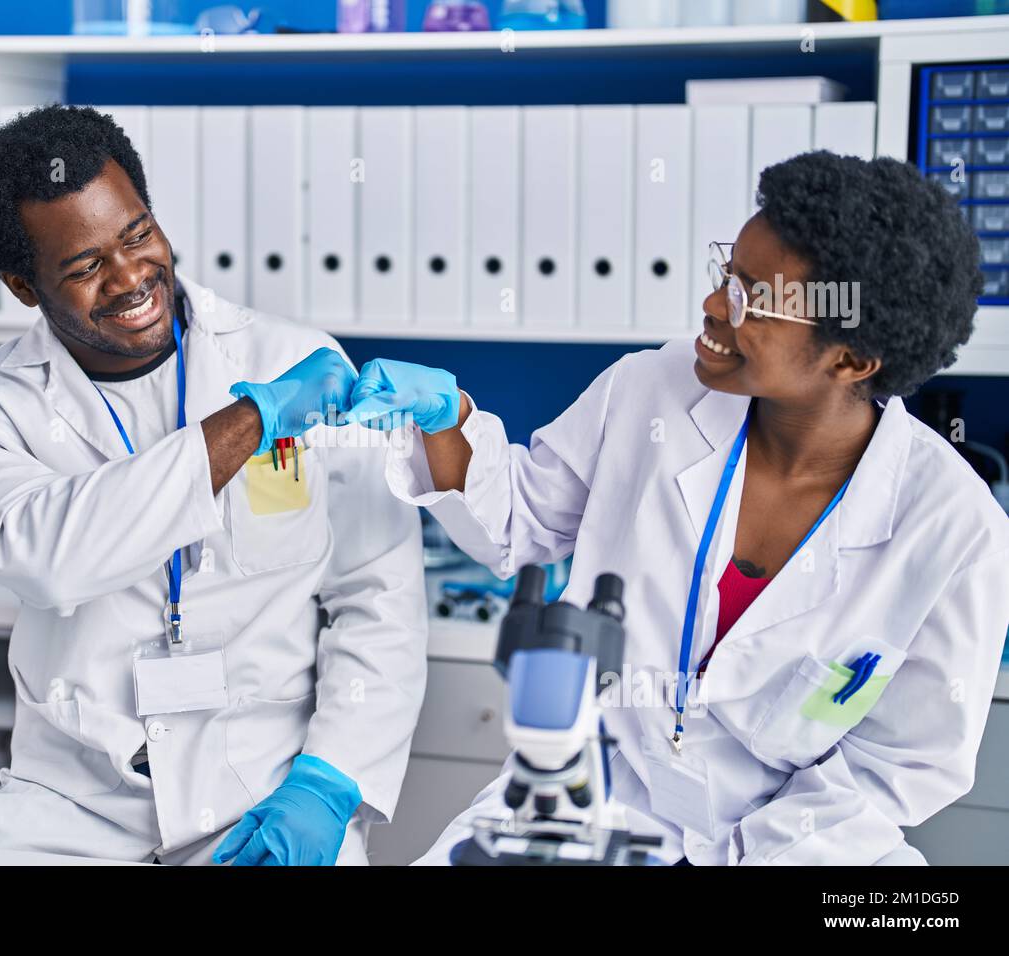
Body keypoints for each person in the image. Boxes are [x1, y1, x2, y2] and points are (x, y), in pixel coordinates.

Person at [344, 152, 1009, 865]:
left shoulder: (952, 531)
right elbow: (518, 521)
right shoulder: (651, 392)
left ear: (850, 361)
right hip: (594, 797)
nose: (715, 306)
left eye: (753, 298)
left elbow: (894, 772)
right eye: (727, 274)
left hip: (801, 850)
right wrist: (446, 419)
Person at [0, 105, 427, 865]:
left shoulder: (294, 354)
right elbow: (50, 554)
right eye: (87, 267)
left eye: (137, 235)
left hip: (265, 793)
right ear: (24, 287)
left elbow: (377, 595)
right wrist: (253, 422)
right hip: (71, 808)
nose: (131, 278)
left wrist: (330, 782)